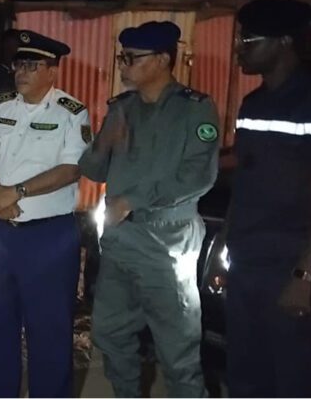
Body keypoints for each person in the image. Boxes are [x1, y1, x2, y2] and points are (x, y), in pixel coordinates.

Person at [78, 21, 219, 397]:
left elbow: (197, 176)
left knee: (177, 350)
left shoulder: (195, 108)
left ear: (161, 59)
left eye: (131, 58)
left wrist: (133, 200)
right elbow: (91, 169)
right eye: (121, 57)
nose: (122, 65)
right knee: (109, 333)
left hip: (167, 240)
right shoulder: (121, 108)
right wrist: (103, 143)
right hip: (121, 239)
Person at [224, 0, 311, 397]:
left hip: (297, 264)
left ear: (284, 42)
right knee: (244, 375)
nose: (239, 48)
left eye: (249, 39)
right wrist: (230, 241)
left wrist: (304, 276)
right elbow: (249, 181)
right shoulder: (253, 104)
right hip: (249, 263)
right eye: (240, 38)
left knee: (294, 380)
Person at [0, 30, 88, 397]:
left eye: (32, 65)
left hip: (48, 237)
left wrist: (16, 191)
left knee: (49, 327)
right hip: (0, 234)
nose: (22, 72)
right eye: (20, 63)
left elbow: (71, 169)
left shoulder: (72, 112)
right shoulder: (2, 106)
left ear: (53, 71)